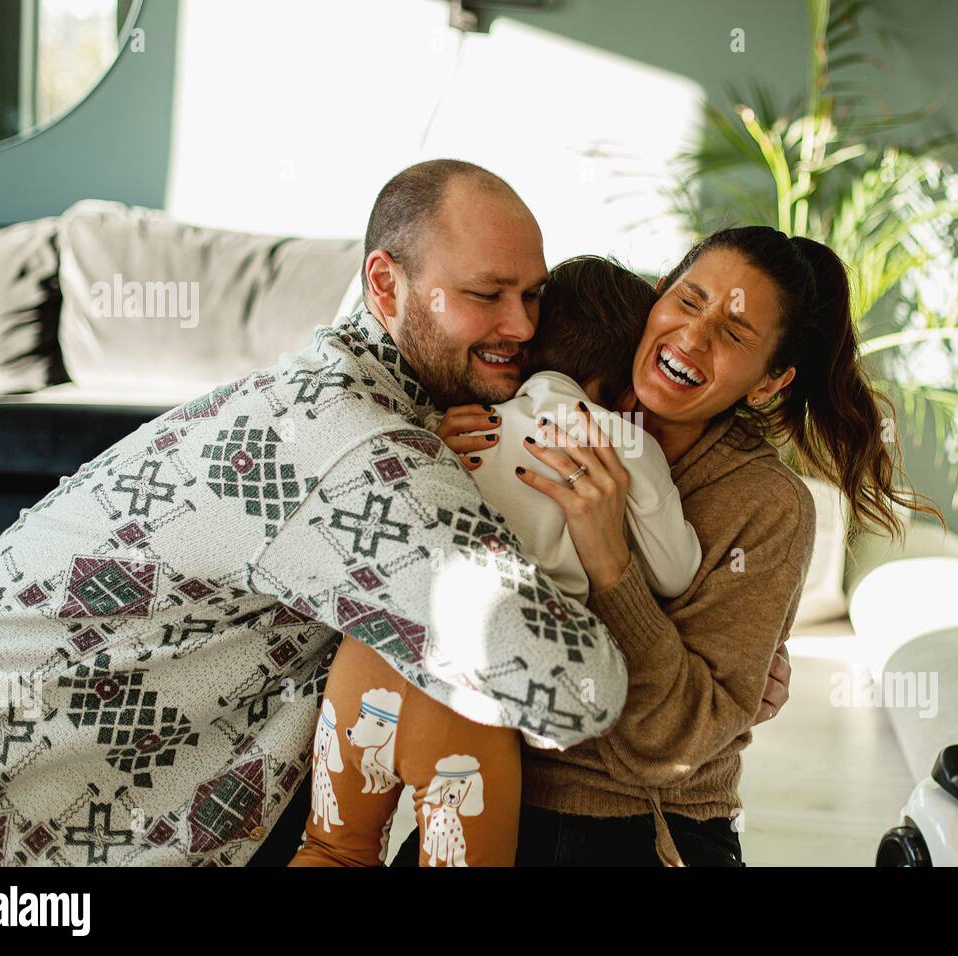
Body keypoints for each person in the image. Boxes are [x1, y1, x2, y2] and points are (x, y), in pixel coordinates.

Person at [0, 159, 637, 866]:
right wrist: (629, 582)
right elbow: (573, 688)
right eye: (486, 294)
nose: (521, 325)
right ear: (385, 284)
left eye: (533, 295)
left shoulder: (330, 391)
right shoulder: (356, 453)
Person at [391, 225, 944, 866]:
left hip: (642, 826)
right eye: (688, 300)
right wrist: (439, 452)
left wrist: (610, 560)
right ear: (655, 298)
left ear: (768, 382)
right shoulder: (511, 399)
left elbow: (673, 743)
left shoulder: (766, 504)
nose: (693, 337)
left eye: (735, 334)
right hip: (489, 790)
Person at [288, 255, 702, 866]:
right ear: (623, 376)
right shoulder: (623, 441)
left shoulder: (457, 427)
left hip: (373, 651)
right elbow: (677, 571)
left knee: (332, 849)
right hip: (476, 686)